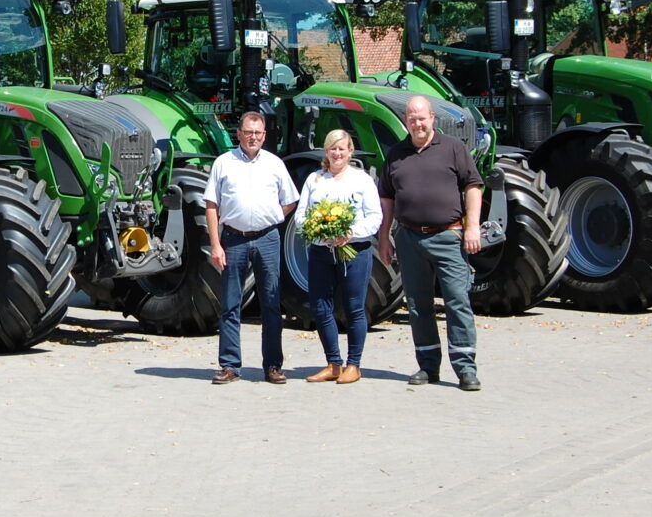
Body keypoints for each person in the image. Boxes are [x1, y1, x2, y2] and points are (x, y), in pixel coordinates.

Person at [376, 96, 485, 390]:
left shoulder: (453, 148)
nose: (417, 123)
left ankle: (465, 368)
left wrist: (471, 227)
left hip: (447, 236)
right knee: (417, 305)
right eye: (412, 118)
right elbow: (386, 197)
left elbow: (473, 186)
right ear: (406, 121)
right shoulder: (397, 153)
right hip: (409, 237)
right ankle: (428, 365)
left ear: (432, 118)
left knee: (457, 302)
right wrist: (385, 236)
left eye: (422, 118)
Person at [205, 111, 298, 384]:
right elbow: (212, 205)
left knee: (271, 302)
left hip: (267, 239)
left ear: (265, 135)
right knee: (231, 303)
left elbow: (290, 199)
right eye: (248, 132)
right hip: (233, 239)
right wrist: (215, 244)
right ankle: (230, 365)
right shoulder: (224, 163)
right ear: (239, 133)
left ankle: (272, 365)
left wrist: (274, 217)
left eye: (258, 133)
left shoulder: (274, 164)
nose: (253, 137)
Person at [293, 129, 383, 384]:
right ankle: (333, 363)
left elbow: (375, 217)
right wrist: (318, 229)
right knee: (321, 308)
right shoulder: (315, 179)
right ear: (326, 151)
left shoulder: (361, 180)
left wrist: (350, 233)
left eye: (342, 148)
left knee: (354, 308)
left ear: (350, 151)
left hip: (355, 251)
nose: (337, 153)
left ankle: (354, 364)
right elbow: (301, 215)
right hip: (322, 251)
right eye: (333, 148)